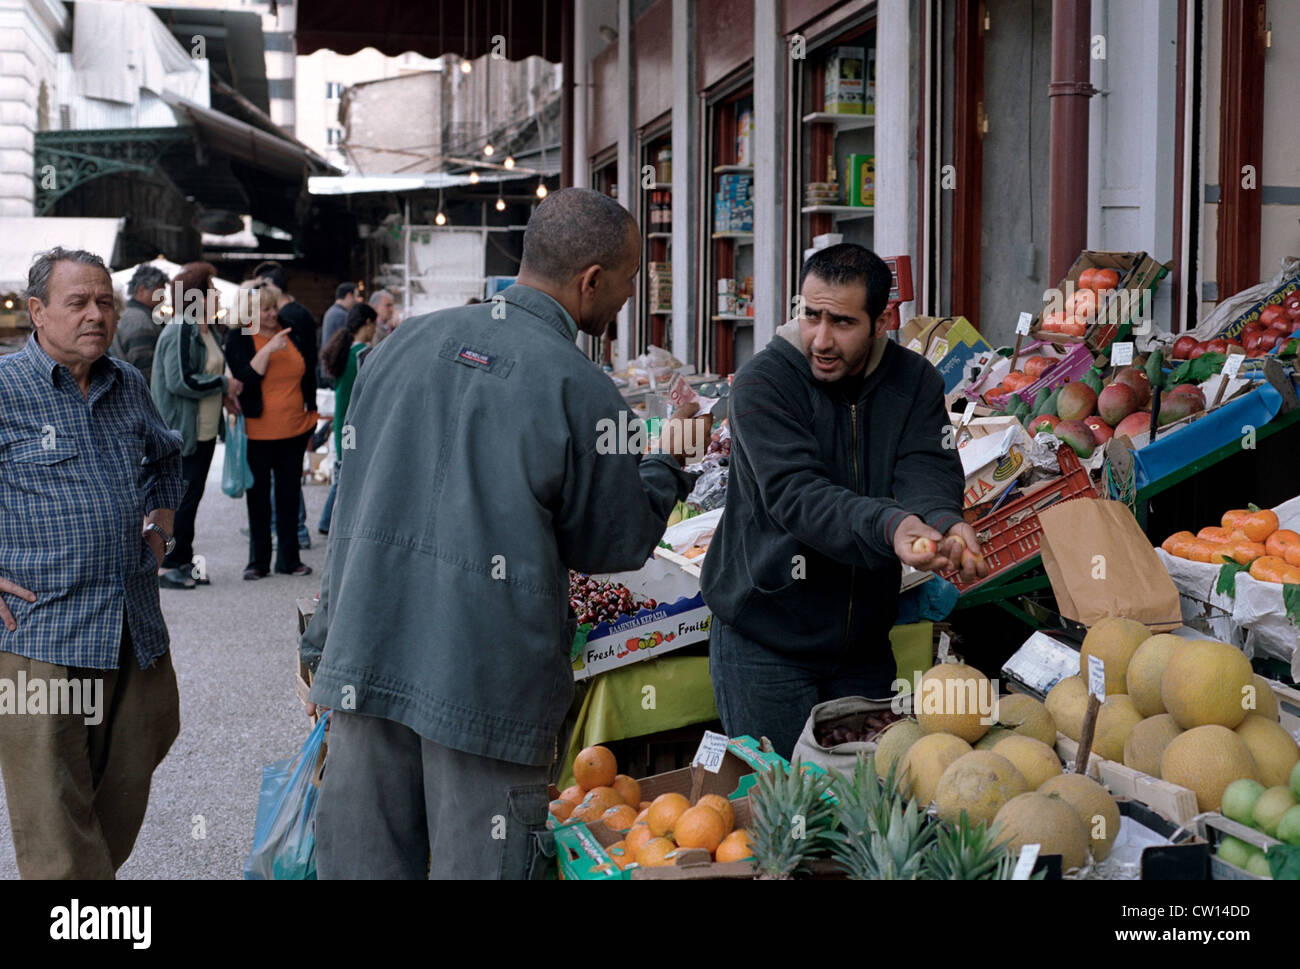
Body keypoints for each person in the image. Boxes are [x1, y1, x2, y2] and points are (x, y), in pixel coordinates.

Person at [301, 187, 711, 879]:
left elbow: (353, 504)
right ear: (591, 280)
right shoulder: (577, 387)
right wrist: (666, 458)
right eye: (629, 280)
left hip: (365, 654)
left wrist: (322, 644)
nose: (627, 298)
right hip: (483, 684)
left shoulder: (400, 347)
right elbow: (613, 541)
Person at [699, 243, 989, 760]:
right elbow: (796, 494)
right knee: (784, 806)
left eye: (843, 322)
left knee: (867, 801)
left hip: (862, 647)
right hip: (766, 641)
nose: (822, 339)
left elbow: (926, 467)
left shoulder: (914, 380)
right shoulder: (764, 383)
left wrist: (943, 523)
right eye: (811, 315)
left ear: (881, 321)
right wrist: (892, 526)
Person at [0, 247, 183, 878]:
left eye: (105, 300)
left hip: (131, 622)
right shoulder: (4, 389)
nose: (96, 314)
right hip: (38, 633)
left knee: (144, 745)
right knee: (51, 803)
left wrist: (161, 523)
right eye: (77, 302)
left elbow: (166, 456)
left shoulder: (125, 382)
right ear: (37, 312)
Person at [150, 262, 241, 590]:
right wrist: (223, 384)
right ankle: (167, 565)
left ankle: (183, 560)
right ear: (197, 296)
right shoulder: (181, 327)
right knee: (181, 501)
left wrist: (225, 391)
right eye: (212, 289)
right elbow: (180, 381)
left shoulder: (206, 328)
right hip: (182, 431)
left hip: (202, 430)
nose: (217, 294)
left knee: (192, 497)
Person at [225, 280, 318, 579]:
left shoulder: (291, 329)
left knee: (290, 496)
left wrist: (312, 412)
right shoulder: (239, 336)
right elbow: (245, 377)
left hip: (294, 427)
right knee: (259, 498)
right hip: (257, 430)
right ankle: (259, 561)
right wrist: (269, 350)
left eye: (273, 307)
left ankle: (290, 559)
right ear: (250, 311)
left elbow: (309, 369)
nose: (272, 314)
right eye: (264, 309)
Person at [251, 261, 315, 550]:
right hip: (278, 418)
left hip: (289, 418)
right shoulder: (293, 316)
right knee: (281, 483)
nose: (270, 312)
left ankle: (292, 532)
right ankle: (279, 538)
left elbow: (305, 365)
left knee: (283, 484)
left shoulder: (289, 321)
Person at [316, 302, 377, 536]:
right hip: (355, 427)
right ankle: (327, 522)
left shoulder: (347, 352)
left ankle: (326, 522)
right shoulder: (363, 355)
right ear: (368, 324)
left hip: (342, 424)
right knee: (343, 482)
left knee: (341, 479)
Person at [107, 263, 168, 383]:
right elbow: (144, 369)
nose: (163, 298)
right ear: (141, 290)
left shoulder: (131, 314)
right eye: (159, 292)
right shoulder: (139, 320)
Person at [321, 282, 358, 349]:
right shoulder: (341, 315)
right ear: (349, 296)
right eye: (356, 296)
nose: (357, 300)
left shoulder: (332, 311)